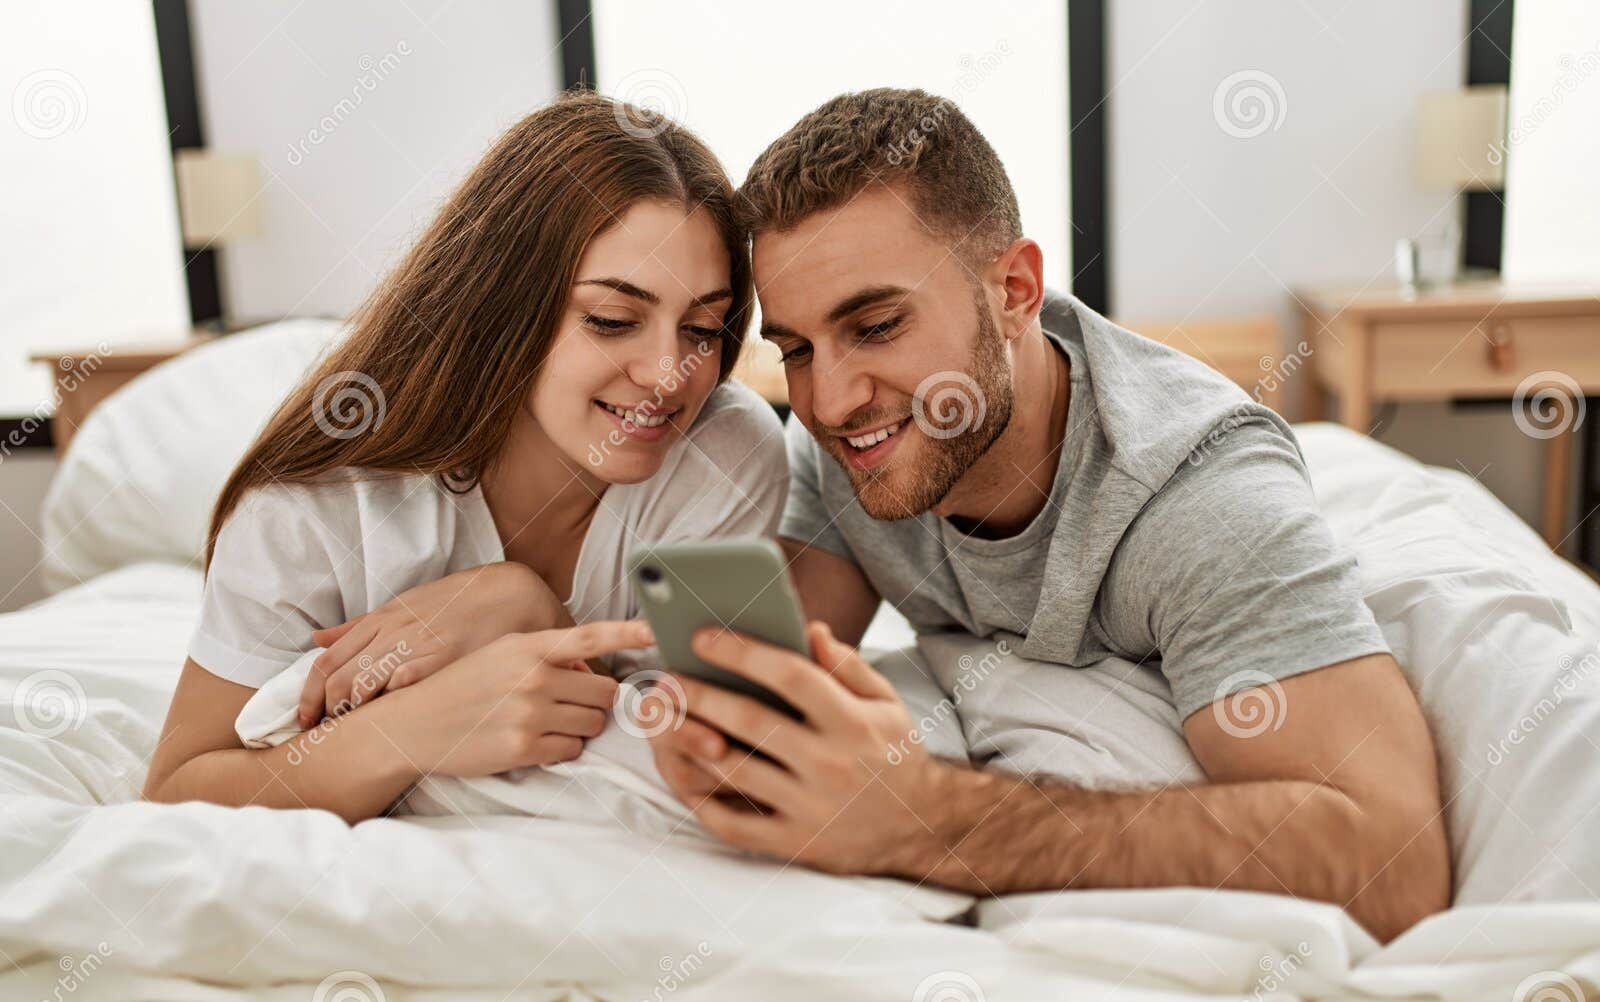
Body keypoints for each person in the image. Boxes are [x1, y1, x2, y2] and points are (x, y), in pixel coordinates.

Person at [646, 89, 1449, 943]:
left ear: (1016, 292)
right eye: (798, 351)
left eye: (877, 325)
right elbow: (788, 649)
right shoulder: (849, 448)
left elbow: (1393, 862)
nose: (832, 401)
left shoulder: (1196, 501)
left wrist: (928, 818)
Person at [144, 92, 786, 823]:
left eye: (703, 328)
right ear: (506, 303)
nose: (669, 373)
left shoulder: (725, 452)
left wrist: (522, 609)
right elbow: (177, 786)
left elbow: (738, 751)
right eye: (612, 321)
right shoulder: (321, 506)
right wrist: (414, 728)